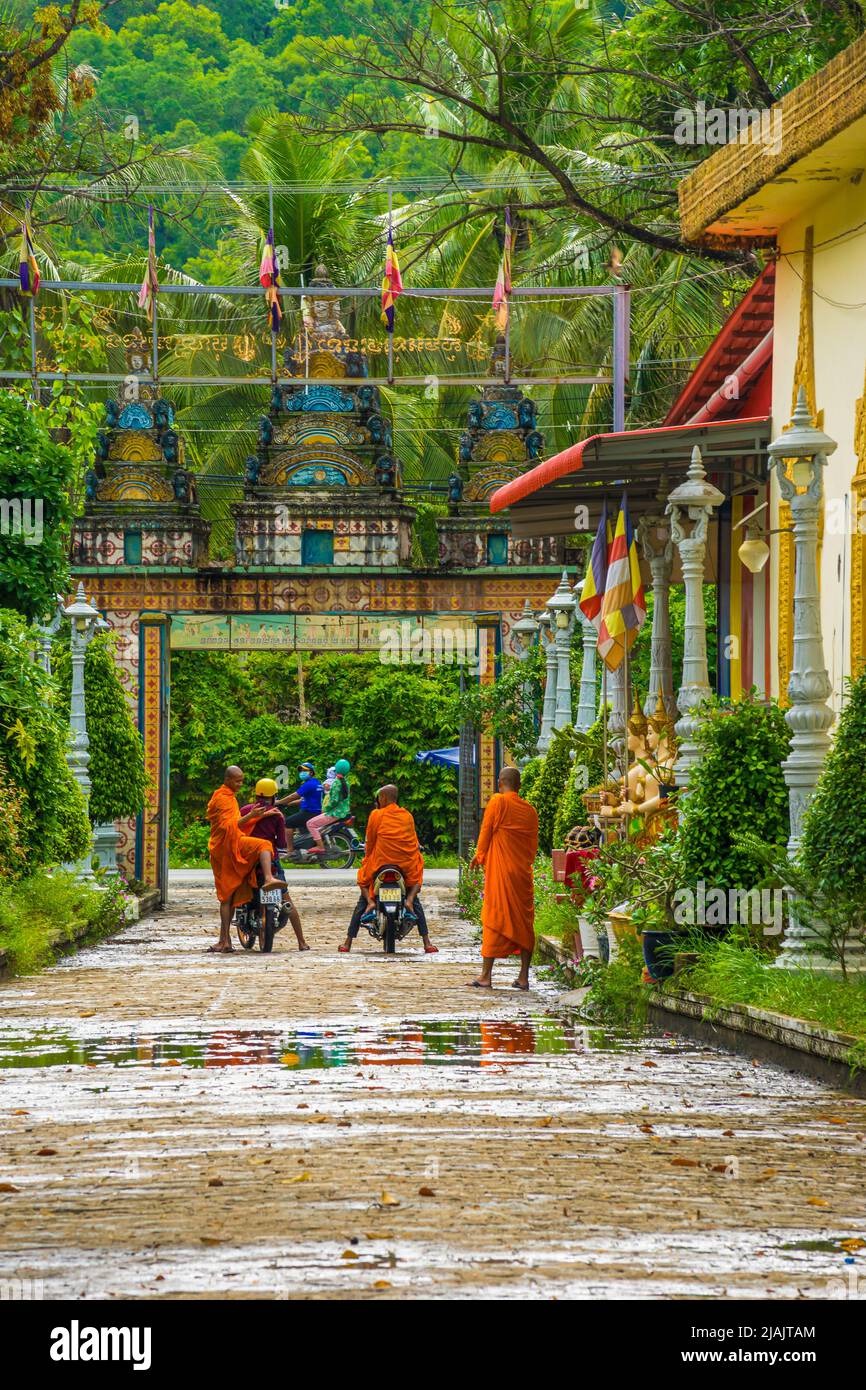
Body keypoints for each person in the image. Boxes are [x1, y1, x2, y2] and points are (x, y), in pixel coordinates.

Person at [339, 784, 437, 954]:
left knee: (363, 881)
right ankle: (426, 940)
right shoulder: (407, 815)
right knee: (415, 880)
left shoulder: (376, 815)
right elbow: (413, 842)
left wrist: (368, 856)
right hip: (405, 866)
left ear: (382, 798)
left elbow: (370, 842)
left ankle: (349, 940)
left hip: (381, 863)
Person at [469, 765, 539, 991]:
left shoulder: (498, 802)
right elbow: (532, 847)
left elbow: (486, 831)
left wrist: (479, 856)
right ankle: (523, 977)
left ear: (500, 782)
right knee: (525, 923)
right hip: (522, 874)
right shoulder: (530, 810)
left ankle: (486, 975)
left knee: (494, 917)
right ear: (519, 785)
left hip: (501, 873)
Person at [206, 766, 283, 954]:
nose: (240, 784)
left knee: (263, 846)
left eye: (242, 780)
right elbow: (227, 827)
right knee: (226, 896)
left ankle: (225, 941)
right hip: (225, 847)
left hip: (234, 842)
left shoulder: (230, 797)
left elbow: (236, 822)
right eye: (237, 781)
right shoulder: (222, 798)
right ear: (228, 779)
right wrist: (252, 815)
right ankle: (224, 941)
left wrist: (262, 815)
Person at [240, 778, 309, 950]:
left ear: (256, 794)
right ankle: (301, 942)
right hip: (271, 861)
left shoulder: (245, 810)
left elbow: (237, 832)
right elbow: (281, 844)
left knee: (235, 891)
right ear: (274, 796)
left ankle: (225, 936)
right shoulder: (277, 814)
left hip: (248, 860)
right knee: (286, 899)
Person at [306, 757, 351, 854]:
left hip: (334, 813)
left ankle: (320, 846)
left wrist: (325, 808)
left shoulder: (336, 783)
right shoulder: (346, 783)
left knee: (310, 824)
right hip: (343, 812)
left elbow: (333, 801)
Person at [281, 760, 323, 853]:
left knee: (287, 823)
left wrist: (279, 802)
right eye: (301, 771)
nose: (302, 773)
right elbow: (302, 800)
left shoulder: (309, 784)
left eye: (305, 771)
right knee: (297, 824)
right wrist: (288, 803)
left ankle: (290, 850)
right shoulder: (316, 782)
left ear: (311, 772)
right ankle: (301, 849)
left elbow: (294, 796)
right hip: (314, 811)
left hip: (310, 812)